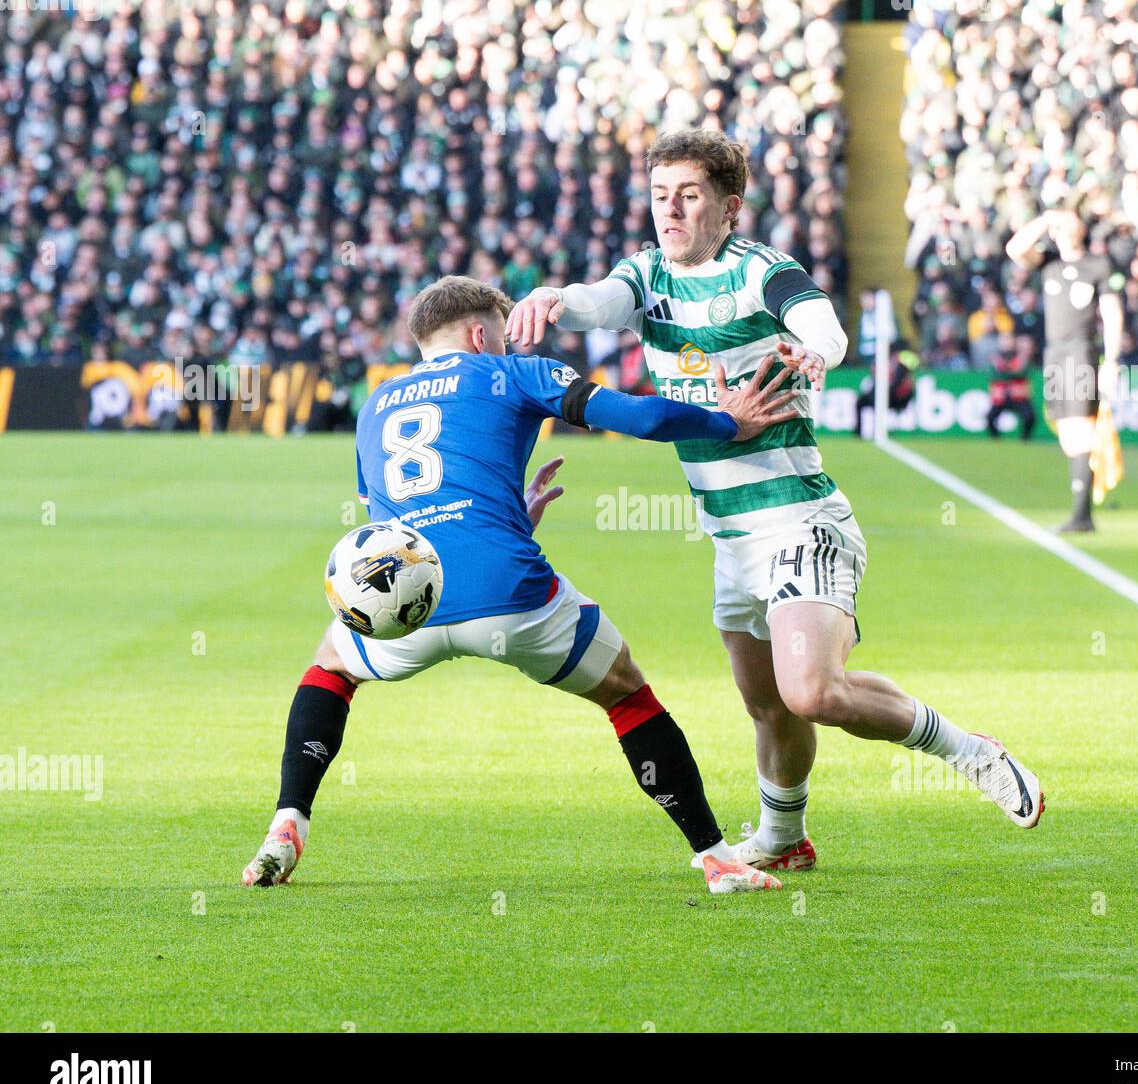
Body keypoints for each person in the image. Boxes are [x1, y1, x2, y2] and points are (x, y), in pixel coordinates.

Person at [507, 129, 1044, 875]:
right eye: (661, 197)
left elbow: (820, 320)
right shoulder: (647, 276)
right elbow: (596, 302)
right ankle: (784, 836)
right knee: (768, 704)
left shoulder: (760, 271)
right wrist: (550, 298)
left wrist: (814, 351)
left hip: (798, 517)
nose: (671, 211)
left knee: (813, 690)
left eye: (689, 196)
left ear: (728, 208)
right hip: (730, 537)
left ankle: (970, 752)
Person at [242, 276, 802, 896]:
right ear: (481, 335)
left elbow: (395, 507)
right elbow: (639, 416)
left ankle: (287, 820)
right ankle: (716, 856)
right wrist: (727, 422)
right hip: (509, 594)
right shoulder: (512, 373)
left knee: (331, 668)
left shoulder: (376, 404)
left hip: (406, 603)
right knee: (626, 694)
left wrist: (507, 511)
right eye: (504, 337)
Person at [1007, 209, 1124, 532]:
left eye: (1061, 227)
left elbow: (1112, 314)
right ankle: (1081, 511)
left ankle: (1082, 515)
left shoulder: (1098, 266)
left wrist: (1112, 360)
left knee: (1080, 430)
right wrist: (1045, 219)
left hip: (1079, 352)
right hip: (1054, 353)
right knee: (1068, 434)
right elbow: (1014, 249)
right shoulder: (1049, 262)